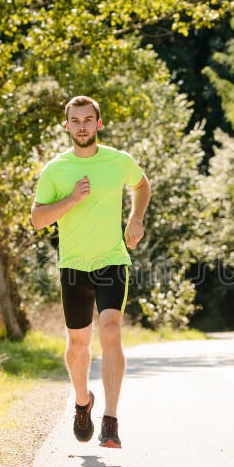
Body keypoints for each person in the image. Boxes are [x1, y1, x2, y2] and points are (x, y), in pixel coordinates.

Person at [30, 95, 151, 449]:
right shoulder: (56, 169)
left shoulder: (118, 161)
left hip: (112, 260)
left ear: (98, 124)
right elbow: (38, 219)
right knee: (78, 345)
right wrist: (71, 200)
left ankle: (110, 421)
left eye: (88, 120)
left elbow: (142, 185)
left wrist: (135, 217)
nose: (82, 126)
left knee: (111, 331)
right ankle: (83, 402)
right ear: (66, 126)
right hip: (74, 267)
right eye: (75, 120)